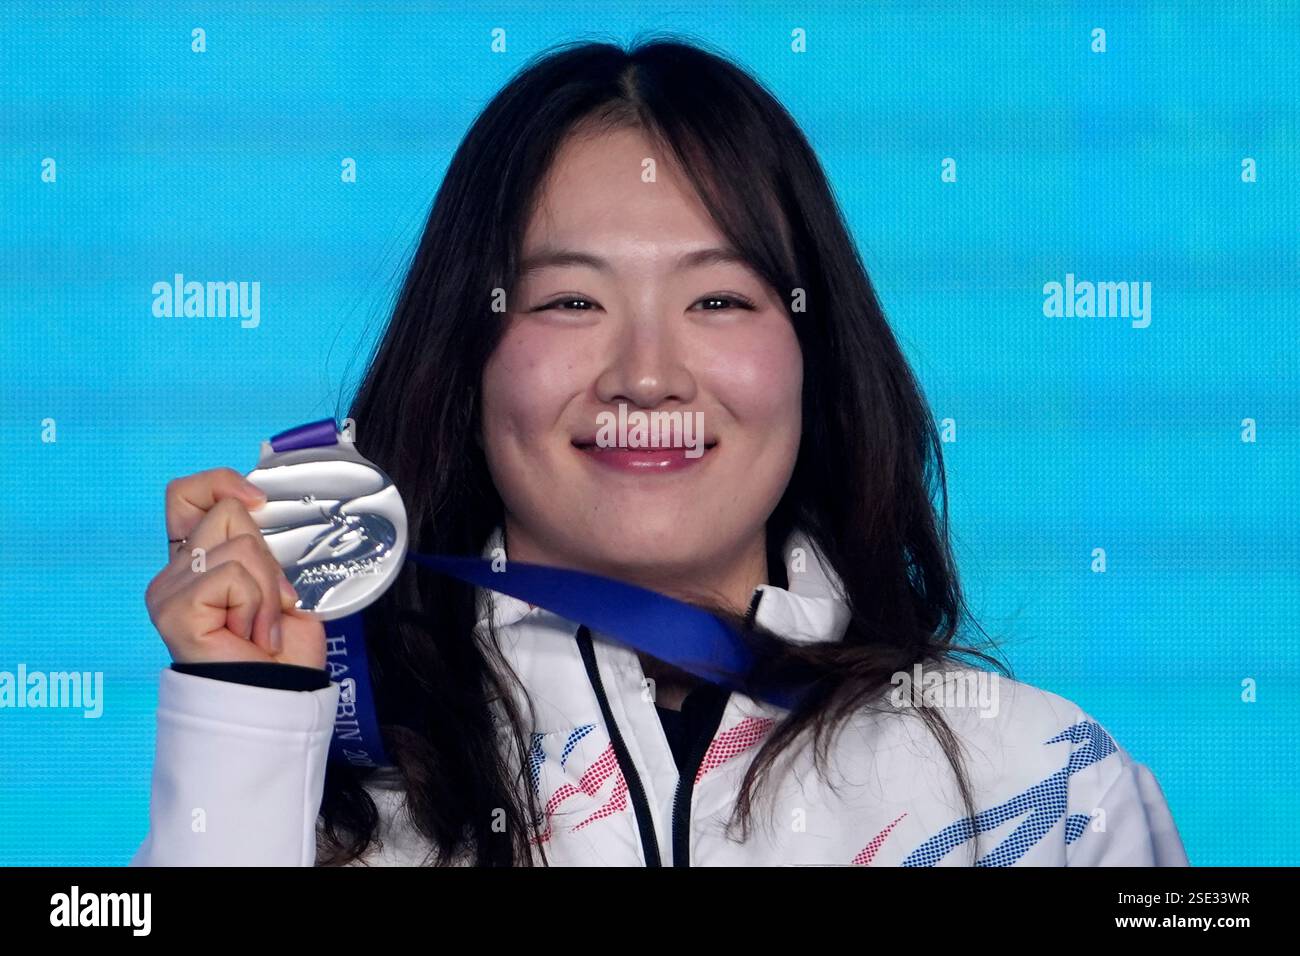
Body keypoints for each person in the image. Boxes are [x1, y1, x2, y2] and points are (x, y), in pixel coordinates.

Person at [132, 37, 1189, 867]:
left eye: (719, 297)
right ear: (471, 358)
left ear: (812, 355)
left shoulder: (1038, 787)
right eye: (571, 299)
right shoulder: (323, 788)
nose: (646, 373)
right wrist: (249, 719)